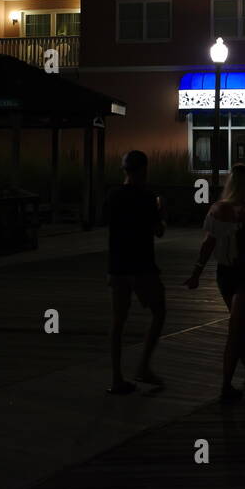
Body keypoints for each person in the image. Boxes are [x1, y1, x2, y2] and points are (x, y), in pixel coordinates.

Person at [187, 164, 245, 404]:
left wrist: (197, 272)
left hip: (224, 273)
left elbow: (208, 243)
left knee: (237, 324)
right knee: (237, 326)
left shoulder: (216, 210)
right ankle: (226, 384)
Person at [104, 150, 167, 395]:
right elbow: (158, 231)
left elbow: (106, 222)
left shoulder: (113, 196)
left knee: (118, 321)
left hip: (117, 265)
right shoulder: (147, 197)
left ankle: (116, 377)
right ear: (143, 170)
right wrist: (162, 212)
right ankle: (143, 366)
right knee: (159, 311)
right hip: (142, 265)